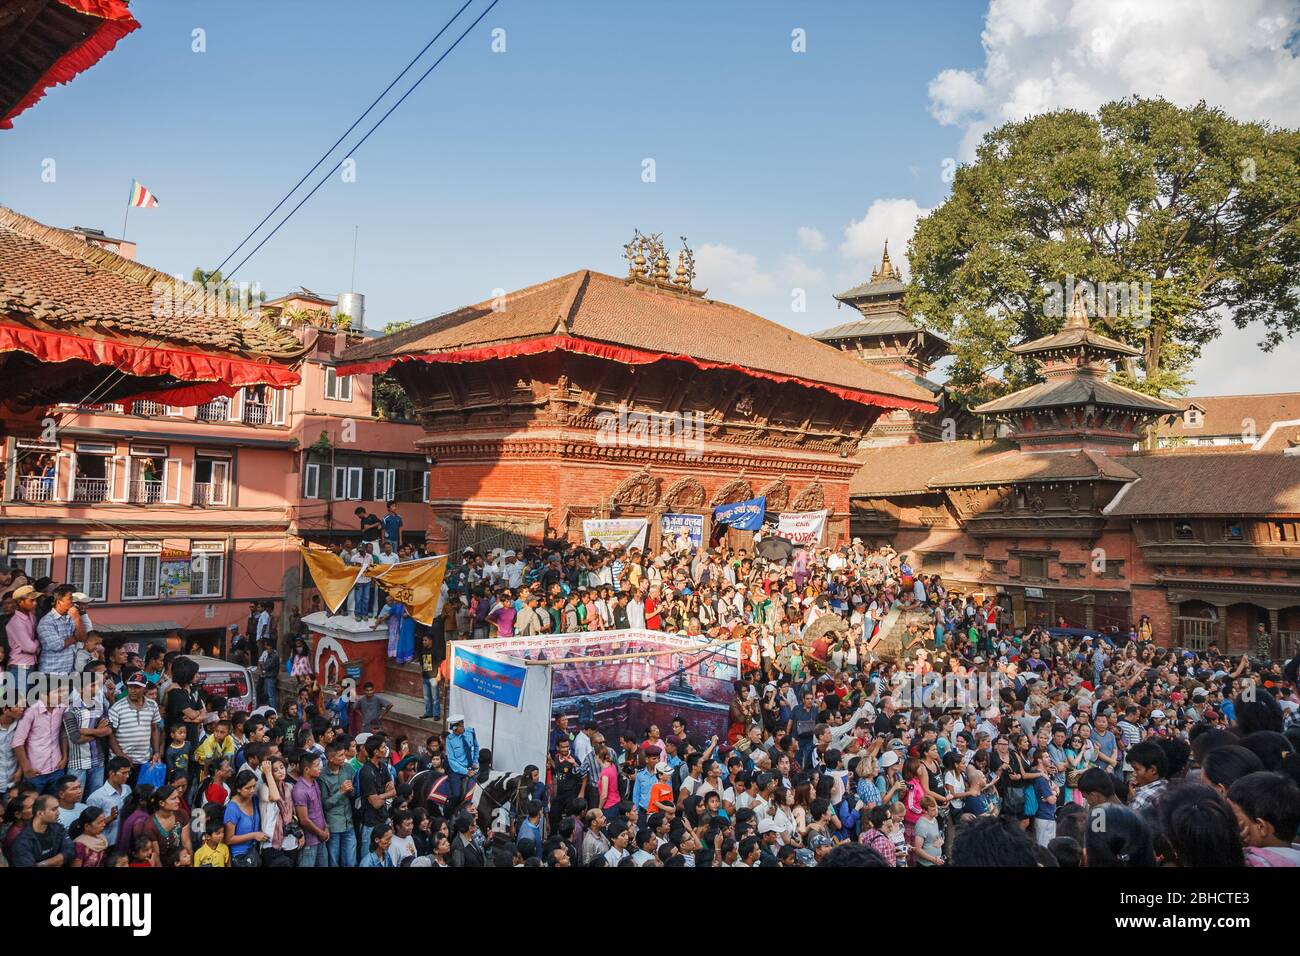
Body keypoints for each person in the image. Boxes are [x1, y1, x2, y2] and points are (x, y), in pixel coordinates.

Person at [9, 794, 73, 867]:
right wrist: (59, 860)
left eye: (57, 809)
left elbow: (70, 851)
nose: (58, 813)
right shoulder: (22, 842)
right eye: (53, 809)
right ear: (40, 813)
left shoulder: (58, 828)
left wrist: (44, 864)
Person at [445, 715, 479, 808]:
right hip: (457, 771)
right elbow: (451, 760)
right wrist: (466, 772)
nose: (454, 732)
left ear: (462, 725)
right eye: (453, 730)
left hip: (472, 768)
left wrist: (475, 762)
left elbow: (476, 747)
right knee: (456, 794)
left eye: (456, 729)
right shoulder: (450, 739)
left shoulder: (471, 732)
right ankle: (449, 814)